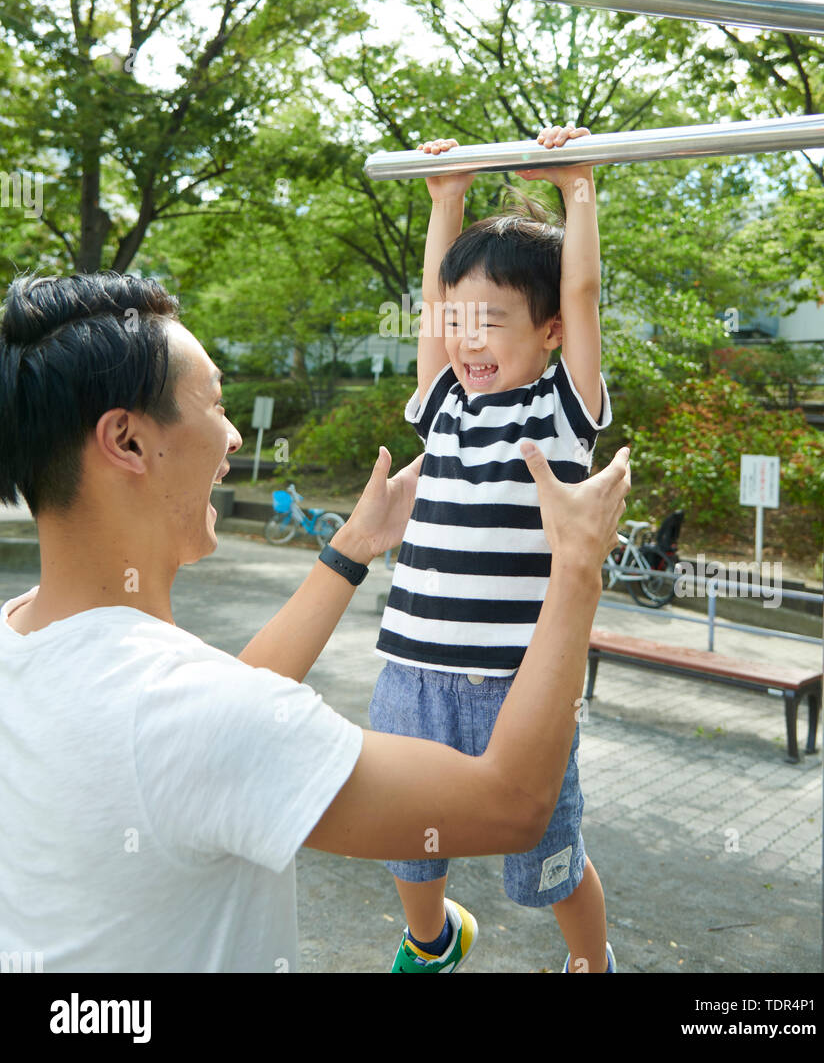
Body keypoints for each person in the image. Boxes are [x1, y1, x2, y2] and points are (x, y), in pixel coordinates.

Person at [0, 269, 629, 973]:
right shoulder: (189, 716)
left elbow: (215, 707)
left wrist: (353, 547)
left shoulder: (19, 638)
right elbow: (514, 804)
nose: (235, 436)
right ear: (129, 441)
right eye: (214, 403)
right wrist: (576, 567)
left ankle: (435, 944)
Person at [370, 124, 614, 974]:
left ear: (548, 333)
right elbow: (438, 304)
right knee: (405, 836)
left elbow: (580, 291)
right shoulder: (444, 402)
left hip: (522, 685)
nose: (469, 340)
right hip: (413, 666)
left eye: (494, 324)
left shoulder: (560, 409)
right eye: (460, 324)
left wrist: (578, 188)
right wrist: (447, 199)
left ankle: (592, 965)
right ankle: (432, 940)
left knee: (548, 858)